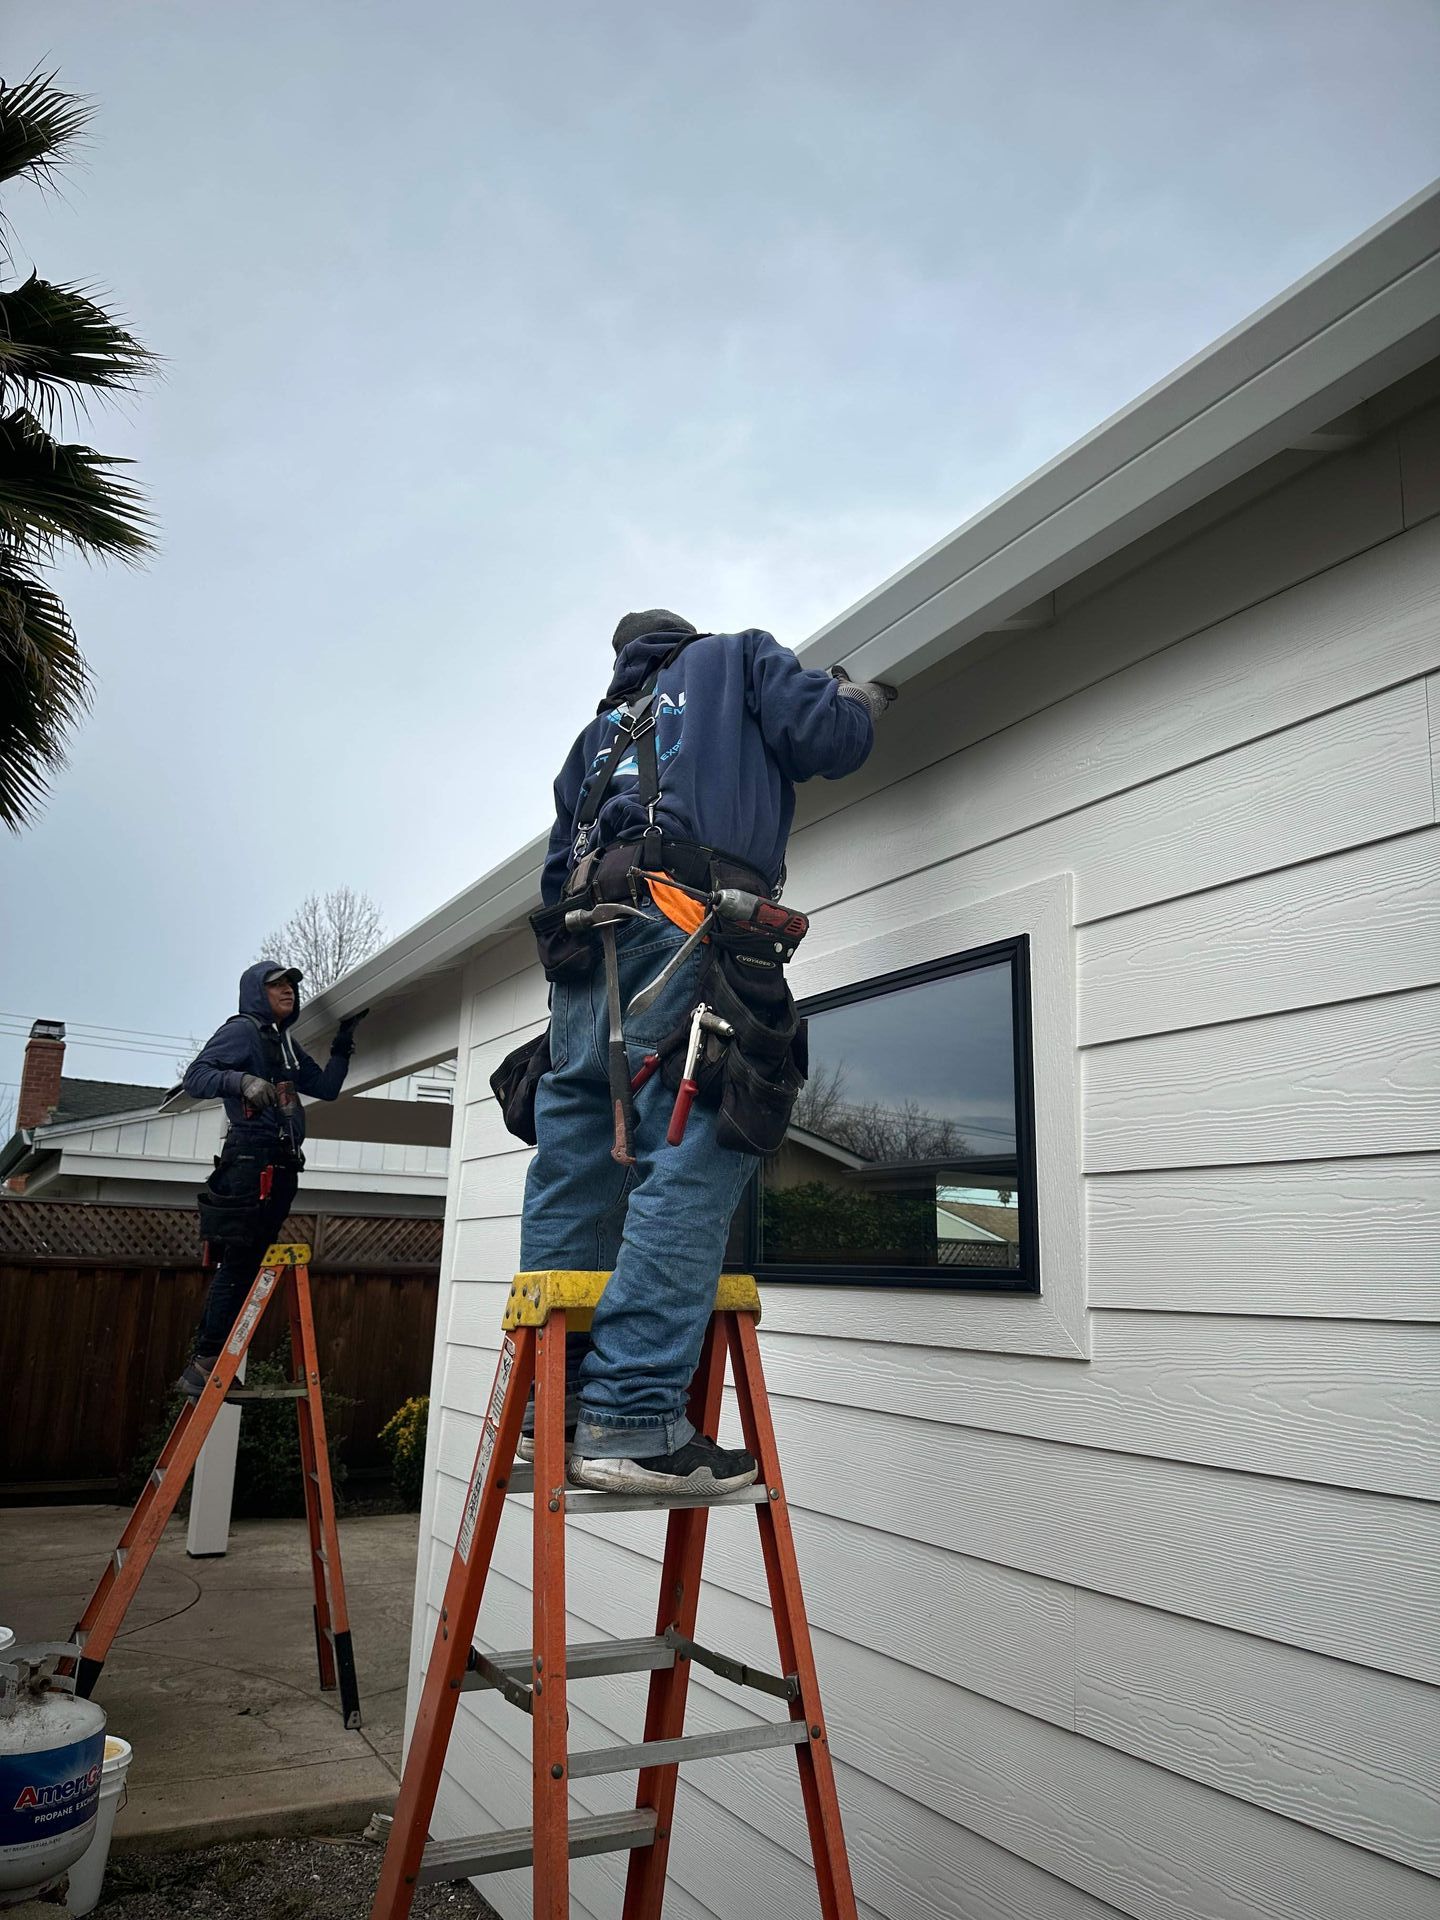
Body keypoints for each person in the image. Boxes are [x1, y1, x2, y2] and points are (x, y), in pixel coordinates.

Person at [518, 610, 895, 1495]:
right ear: (687, 639)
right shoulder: (739, 658)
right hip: (691, 926)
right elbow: (829, 738)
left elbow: (548, 876)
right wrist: (859, 697)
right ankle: (633, 1422)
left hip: (582, 956)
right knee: (696, 1153)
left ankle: (556, 1412)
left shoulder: (593, 738)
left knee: (576, 1166)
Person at [175, 962, 365, 1396]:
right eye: (277, 985)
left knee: (246, 1263)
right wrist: (241, 1080)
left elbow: (328, 1086)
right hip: (249, 1162)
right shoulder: (242, 1031)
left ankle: (212, 1363)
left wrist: (344, 1040)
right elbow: (196, 1076)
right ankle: (204, 1363)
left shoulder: (285, 1045)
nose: (288, 991)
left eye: (291, 985)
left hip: (279, 1164)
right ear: (256, 993)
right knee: (239, 1263)